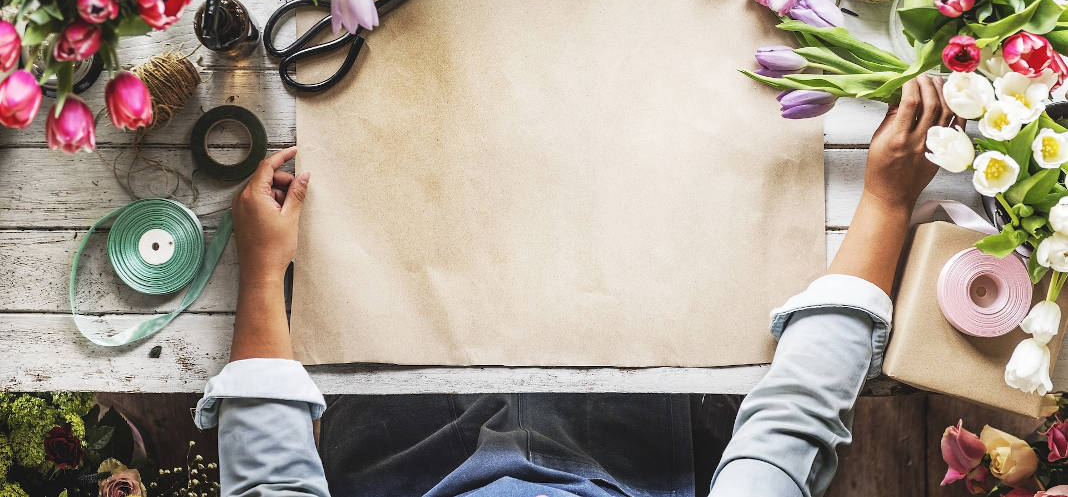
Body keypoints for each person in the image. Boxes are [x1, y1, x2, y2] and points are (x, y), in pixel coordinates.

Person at [196, 76, 956, 497]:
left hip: (405, 441)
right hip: (638, 436)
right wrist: (885, 203)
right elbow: (790, 424)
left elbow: (269, 482)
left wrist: (263, 273)